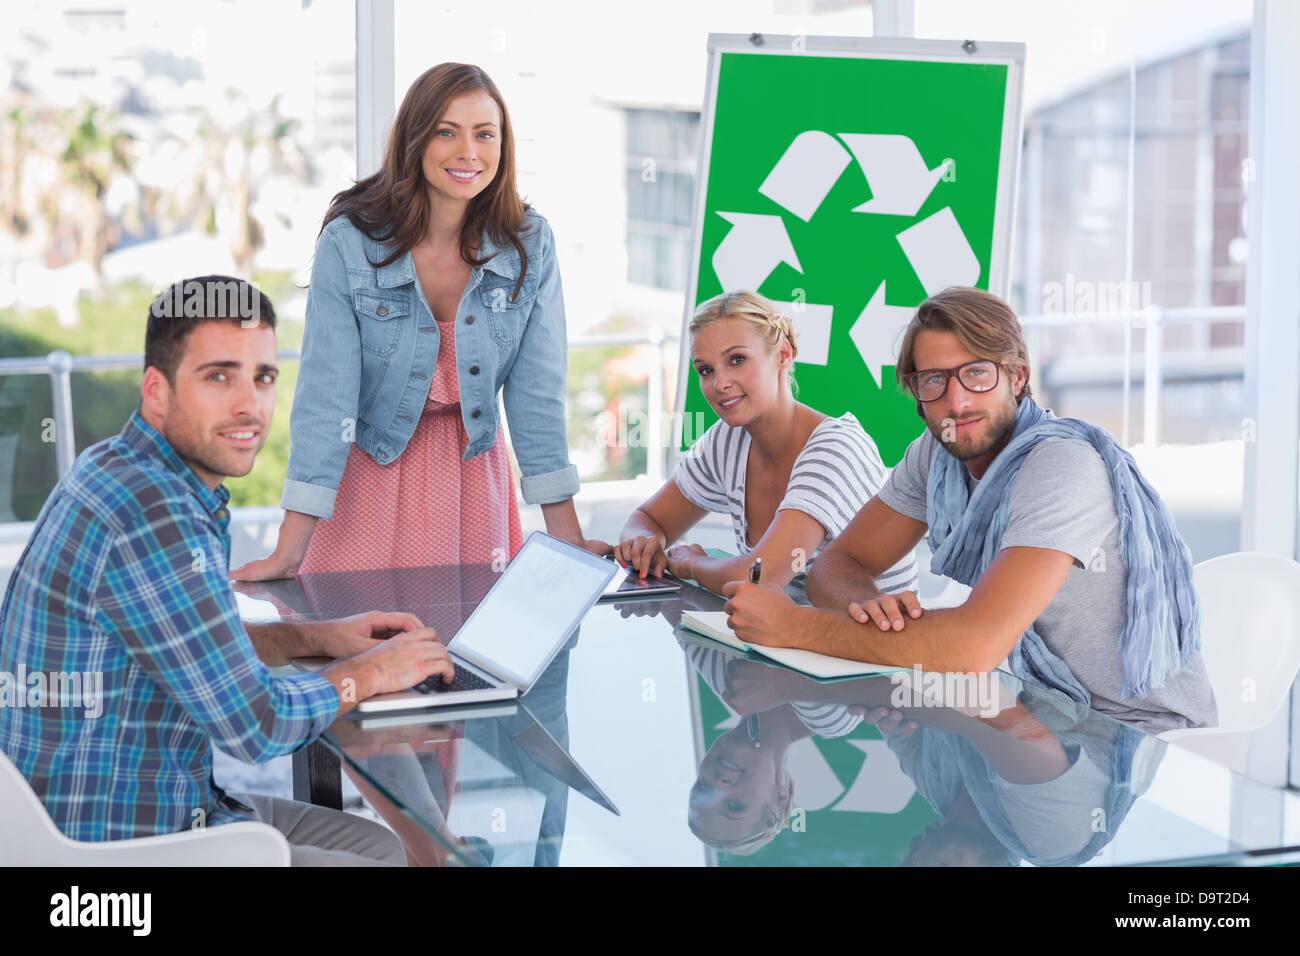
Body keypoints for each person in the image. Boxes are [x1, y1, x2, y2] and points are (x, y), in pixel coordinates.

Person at [0, 277, 456, 865]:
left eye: (262, 377)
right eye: (219, 376)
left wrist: (313, 637)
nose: (249, 405)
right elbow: (256, 725)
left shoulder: (123, 468)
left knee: (379, 845)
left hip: (131, 804)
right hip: (116, 849)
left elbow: (189, 647)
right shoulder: (154, 514)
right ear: (156, 390)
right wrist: (368, 674)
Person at [721, 286, 1218, 735]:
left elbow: (972, 648)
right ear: (916, 393)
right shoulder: (937, 454)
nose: (956, 401)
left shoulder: (1063, 464)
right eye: (933, 380)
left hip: (1137, 731)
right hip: (1035, 708)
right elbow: (837, 565)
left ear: (1017, 376)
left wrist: (793, 626)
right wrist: (869, 613)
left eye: (976, 373)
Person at [232, 62, 603, 581]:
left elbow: (537, 394)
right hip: (370, 481)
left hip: (475, 484)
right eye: (446, 132)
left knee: (466, 655)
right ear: (415, 138)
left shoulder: (529, 243)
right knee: (368, 652)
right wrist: (288, 552)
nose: (468, 152)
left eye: (484, 134)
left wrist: (568, 539)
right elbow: (325, 398)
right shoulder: (350, 242)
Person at [614, 290, 917, 597]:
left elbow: (760, 576)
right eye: (706, 370)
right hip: (785, 639)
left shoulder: (835, 448)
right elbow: (648, 519)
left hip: (866, 638)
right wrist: (642, 542)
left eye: (737, 360)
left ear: (783, 355)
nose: (719, 384)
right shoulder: (727, 439)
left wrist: (692, 564)